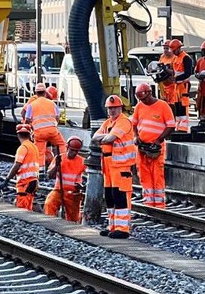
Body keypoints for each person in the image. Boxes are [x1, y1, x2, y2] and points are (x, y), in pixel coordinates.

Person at [91, 94, 137, 238]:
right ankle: (113, 226)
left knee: (121, 197)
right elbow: (94, 137)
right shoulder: (108, 123)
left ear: (120, 108)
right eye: (110, 108)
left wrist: (105, 138)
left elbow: (110, 138)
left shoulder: (123, 122)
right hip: (108, 166)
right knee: (110, 197)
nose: (112, 111)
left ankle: (123, 229)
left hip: (121, 166)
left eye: (114, 108)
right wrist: (106, 137)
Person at [132, 82, 175, 209]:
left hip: (156, 147)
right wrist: (136, 137)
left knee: (157, 174)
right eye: (140, 99)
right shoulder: (139, 106)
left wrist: (159, 140)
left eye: (144, 98)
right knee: (144, 175)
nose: (143, 101)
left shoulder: (162, 106)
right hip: (142, 148)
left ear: (150, 93)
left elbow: (171, 126)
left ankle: (159, 203)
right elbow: (134, 124)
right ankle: (149, 202)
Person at [22, 84, 65, 170]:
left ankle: (41, 171)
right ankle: (62, 163)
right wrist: (54, 124)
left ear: (36, 93)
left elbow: (27, 118)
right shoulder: (51, 103)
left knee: (40, 152)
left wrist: (30, 128)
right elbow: (57, 116)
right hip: (52, 131)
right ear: (45, 93)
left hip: (39, 133)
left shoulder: (32, 104)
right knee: (62, 144)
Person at [43, 137, 87, 222]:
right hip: (59, 191)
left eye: (76, 151)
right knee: (49, 203)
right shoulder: (59, 158)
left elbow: (90, 179)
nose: (74, 153)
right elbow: (49, 176)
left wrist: (82, 186)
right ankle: (49, 223)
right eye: (72, 150)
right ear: (67, 148)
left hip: (74, 194)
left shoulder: (82, 161)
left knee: (73, 218)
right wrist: (56, 165)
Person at [4, 124, 41, 211]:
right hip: (34, 182)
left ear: (18, 135)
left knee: (22, 208)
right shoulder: (34, 147)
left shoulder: (23, 148)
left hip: (25, 183)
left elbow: (17, 165)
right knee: (28, 206)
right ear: (29, 135)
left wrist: (7, 179)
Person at [161, 39, 193, 134]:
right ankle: (178, 127)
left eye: (174, 50)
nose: (173, 52)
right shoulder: (175, 58)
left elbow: (188, 73)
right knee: (178, 106)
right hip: (177, 85)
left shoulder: (186, 58)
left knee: (183, 106)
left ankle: (183, 128)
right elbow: (174, 71)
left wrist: (176, 78)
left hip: (183, 85)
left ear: (179, 48)